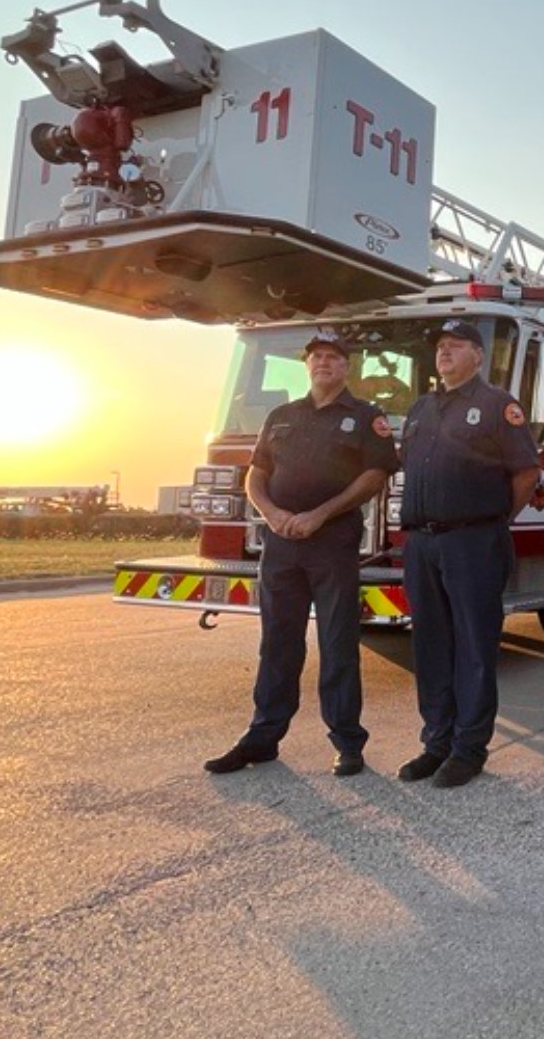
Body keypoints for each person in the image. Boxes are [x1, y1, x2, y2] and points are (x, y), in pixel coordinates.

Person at [204, 329, 399, 777]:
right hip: (281, 546)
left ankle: (348, 742)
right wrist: (271, 514)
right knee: (277, 644)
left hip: (332, 544)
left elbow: (375, 477)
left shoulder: (367, 417)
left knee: (337, 645)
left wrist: (320, 515)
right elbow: (256, 476)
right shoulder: (281, 416)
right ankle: (262, 737)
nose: (323, 363)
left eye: (332, 357)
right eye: (316, 357)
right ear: (306, 365)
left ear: (346, 366)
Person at [396, 318, 540, 789]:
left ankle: (468, 749)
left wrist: (493, 521)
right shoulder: (420, 408)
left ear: (478, 356)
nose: (445, 353)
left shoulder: (498, 406)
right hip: (422, 542)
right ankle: (435, 743)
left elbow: (525, 473)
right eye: (440, 346)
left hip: (473, 541)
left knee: (475, 648)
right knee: (431, 645)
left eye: (456, 346)